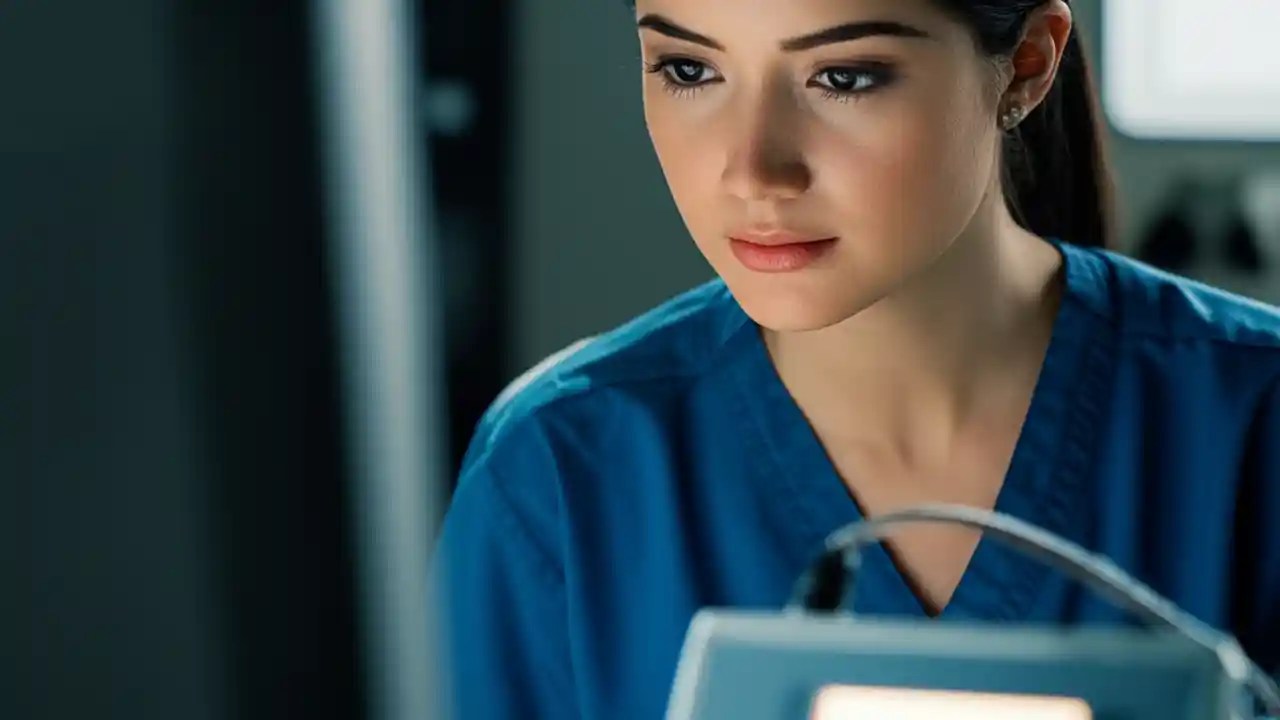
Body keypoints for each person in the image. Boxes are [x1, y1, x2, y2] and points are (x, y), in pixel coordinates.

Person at [431, 1, 1280, 717]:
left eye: (843, 78)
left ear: (1025, 65)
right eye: (690, 71)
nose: (755, 171)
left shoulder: (1256, 424)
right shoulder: (557, 474)